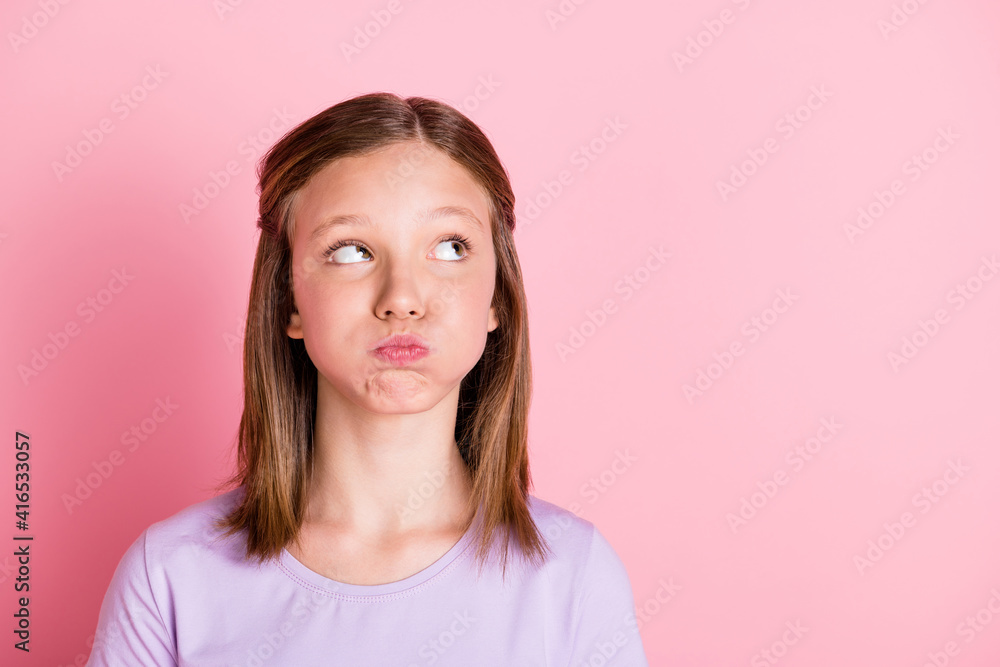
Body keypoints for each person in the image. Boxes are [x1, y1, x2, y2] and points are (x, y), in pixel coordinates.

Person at [86, 92, 650, 666]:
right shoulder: (169, 579)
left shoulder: (575, 579)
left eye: (451, 247)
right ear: (289, 299)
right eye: (352, 251)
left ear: (496, 297)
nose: (402, 298)